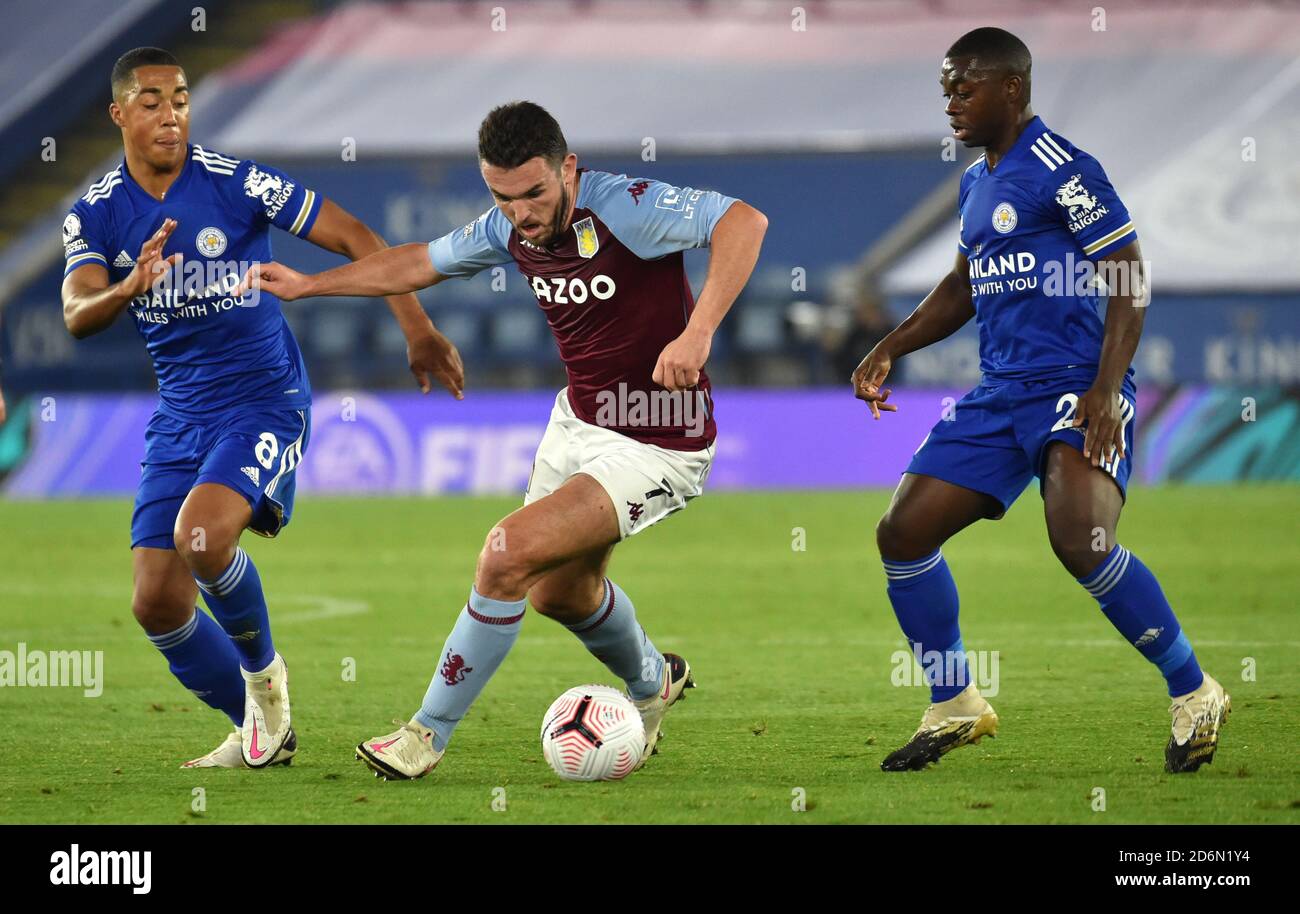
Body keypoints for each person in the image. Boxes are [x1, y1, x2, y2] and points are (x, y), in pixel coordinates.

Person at [242, 101, 768, 780]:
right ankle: (654, 682)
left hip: (658, 439)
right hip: (576, 422)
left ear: (567, 168)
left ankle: (424, 735)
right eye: (502, 196)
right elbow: (418, 263)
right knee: (559, 594)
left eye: (534, 193)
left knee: (505, 556)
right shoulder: (508, 228)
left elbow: (743, 221)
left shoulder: (625, 207)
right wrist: (313, 285)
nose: (520, 212)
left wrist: (698, 334)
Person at [60, 47, 463, 769]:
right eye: (151, 101)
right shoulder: (95, 213)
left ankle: (266, 686)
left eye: (180, 98)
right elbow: (76, 312)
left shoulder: (237, 182)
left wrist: (418, 328)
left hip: (263, 400)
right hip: (180, 416)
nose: (170, 113)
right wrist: (127, 289)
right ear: (120, 114)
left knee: (205, 541)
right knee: (155, 602)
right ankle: (261, 729)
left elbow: (356, 238)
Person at [852, 28, 1228, 773]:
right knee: (902, 534)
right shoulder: (974, 184)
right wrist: (891, 344)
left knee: (1078, 539)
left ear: (1013, 90)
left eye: (965, 88)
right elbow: (963, 288)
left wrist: (1105, 389)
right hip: (999, 395)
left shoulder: (1064, 170)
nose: (952, 103)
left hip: (1073, 386)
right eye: (945, 91)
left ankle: (1194, 691)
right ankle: (955, 699)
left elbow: (1128, 275)